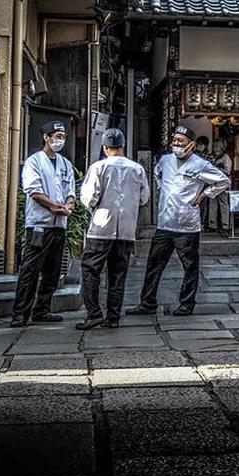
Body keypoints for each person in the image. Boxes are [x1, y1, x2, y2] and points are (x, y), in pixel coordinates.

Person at [128, 125, 230, 316]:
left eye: (180, 141)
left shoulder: (200, 165)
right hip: (165, 223)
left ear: (191, 145)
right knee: (153, 265)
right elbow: (157, 175)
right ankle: (147, 302)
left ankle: (187, 303)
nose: (176, 144)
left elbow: (224, 181)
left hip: (187, 225)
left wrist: (204, 195)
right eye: (174, 140)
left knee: (190, 266)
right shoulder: (165, 160)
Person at [75, 128, 150, 330]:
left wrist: (94, 206)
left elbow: (89, 197)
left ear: (106, 148)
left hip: (100, 228)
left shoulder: (99, 167)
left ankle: (94, 314)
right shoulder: (137, 169)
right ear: (123, 146)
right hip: (126, 230)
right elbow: (144, 198)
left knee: (90, 271)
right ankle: (113, 317)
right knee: (118, 275)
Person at [11, 120, 77, 327]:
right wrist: (52, 206)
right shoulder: (34, 161)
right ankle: (20, 314)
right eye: (57, 136)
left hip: (59, 224)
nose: (60, 140)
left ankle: (42, 310)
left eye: (63, 137)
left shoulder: (66, 164)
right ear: (46, 138)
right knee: (30, 270)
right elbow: (33, 190)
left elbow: (71, 192)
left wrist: (69, 205)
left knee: (52, 270)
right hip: (39, 225)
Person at [206, 139, 233, 236]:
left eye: (215, 146)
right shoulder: (213, 157)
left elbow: (227, 171)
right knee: (212, 203)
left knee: (223, 204)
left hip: (223, 184)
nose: (213, 148)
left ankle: (225, 225)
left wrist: (217, 167)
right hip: (214, 183)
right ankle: (212, 224)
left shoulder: (226, 158)